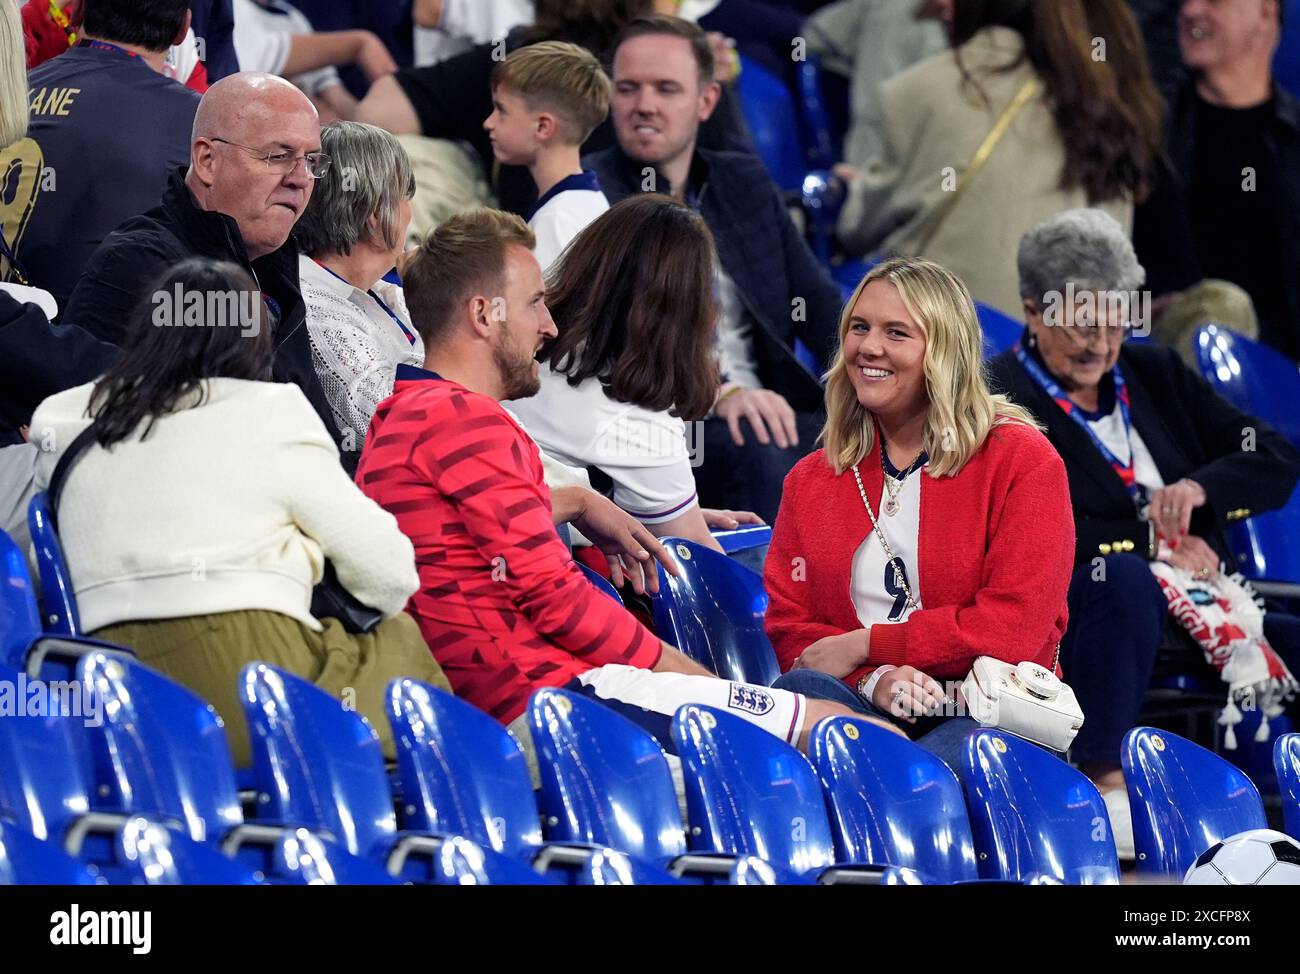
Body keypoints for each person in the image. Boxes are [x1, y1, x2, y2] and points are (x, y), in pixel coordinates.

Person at [355, 207, 877, 755]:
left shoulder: (403, 415)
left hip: (531, 701)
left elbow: (471, 527)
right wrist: (698, 681)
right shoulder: (465, 422)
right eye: (535, 303)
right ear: (484, 315)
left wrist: (576, 500)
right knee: (838, 731)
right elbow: (558, 601)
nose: (549, 324)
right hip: (555, 704)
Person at [29, 258, 446, 766]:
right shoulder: (271, 410)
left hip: (112, 690)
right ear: (254, 343)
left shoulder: (68, 417)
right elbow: (389, 573)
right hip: (245, 673)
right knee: (400, 640)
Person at [986, 208, 1300, 840]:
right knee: (1125, 578)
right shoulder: (1000, 396)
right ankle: (1102, 779)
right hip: (1085, 597)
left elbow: (1274, 458)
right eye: (1080, 323)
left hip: (1201, 604)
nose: (1100, 344)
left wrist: (1198, 490)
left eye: (1113, 322)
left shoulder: (1154, 374)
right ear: (1032, 311)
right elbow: (1036, 525)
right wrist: (1150, 539)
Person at [764, 256, 1076, 773]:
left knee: (931, 766)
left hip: (981, 710)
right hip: (862, 702)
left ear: (944, 354)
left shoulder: (1021, 460)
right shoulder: (811, 480)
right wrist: (875, 679)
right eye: (859, 327)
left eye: (897, 333)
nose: (869, 347)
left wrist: (871, 644)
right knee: (802, 692)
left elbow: (1013, 628)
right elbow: (794, 632)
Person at [586, 15, 843, 523]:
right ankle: (770, 602)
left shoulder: (742, 180)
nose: (645, 106)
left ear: (705, 101)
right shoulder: (590, 191)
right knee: (763, 451)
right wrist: (719, 393)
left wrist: (884, 383)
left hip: (769, 407)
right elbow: (610, 341)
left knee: (889, 436)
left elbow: (821, 307)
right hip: (658, 418)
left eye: (666, 89)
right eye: (629, 88)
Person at [61, 72, 343, 447]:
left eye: (310, 161)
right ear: (208, 160)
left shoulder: (274, 265)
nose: (300, 179)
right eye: (278, 156)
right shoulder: (141, 267)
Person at [835, 0, 1163, 318]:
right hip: (1063, 355)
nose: (939, 4)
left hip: (942, 350)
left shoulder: (919, 89)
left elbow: (858, 230)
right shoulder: (1110, 101)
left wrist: (851, 194)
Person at [509, 194, 760, 549]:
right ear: (690, 306)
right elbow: (700, 561)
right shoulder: (638, 419)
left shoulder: (523, 342)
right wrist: (681, 521)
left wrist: (675, 511)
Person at [0, 0, 199, 315]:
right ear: (182, 30)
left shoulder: (12, 98)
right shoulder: (198, 124)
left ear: (78, 13)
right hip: (108, 349)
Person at [1132, 0, 1300, 362]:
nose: (1190, 11)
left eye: (1214, 1)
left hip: (1281, 380)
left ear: (1266, 12)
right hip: (1164, 361)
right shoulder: (1145, 132)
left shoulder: (1293, 143)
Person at [296, 120, 419, 463]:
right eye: (406, 197)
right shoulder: (313, 307)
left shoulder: (385, 289)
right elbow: (389, 427)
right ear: (377, 215)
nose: (412, 213)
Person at [484, 41, 613, 272]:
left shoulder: (556, 221)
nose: (488, 123)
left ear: (543, 127)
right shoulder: (582, 203)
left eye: (501, 110)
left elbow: (547, 308)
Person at [231, 0, 397, 122]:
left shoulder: (292, 16)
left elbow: (333, 92)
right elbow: (258, 74)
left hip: (313, 130)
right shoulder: (233, 7)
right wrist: (360, 43)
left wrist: (369, 132)